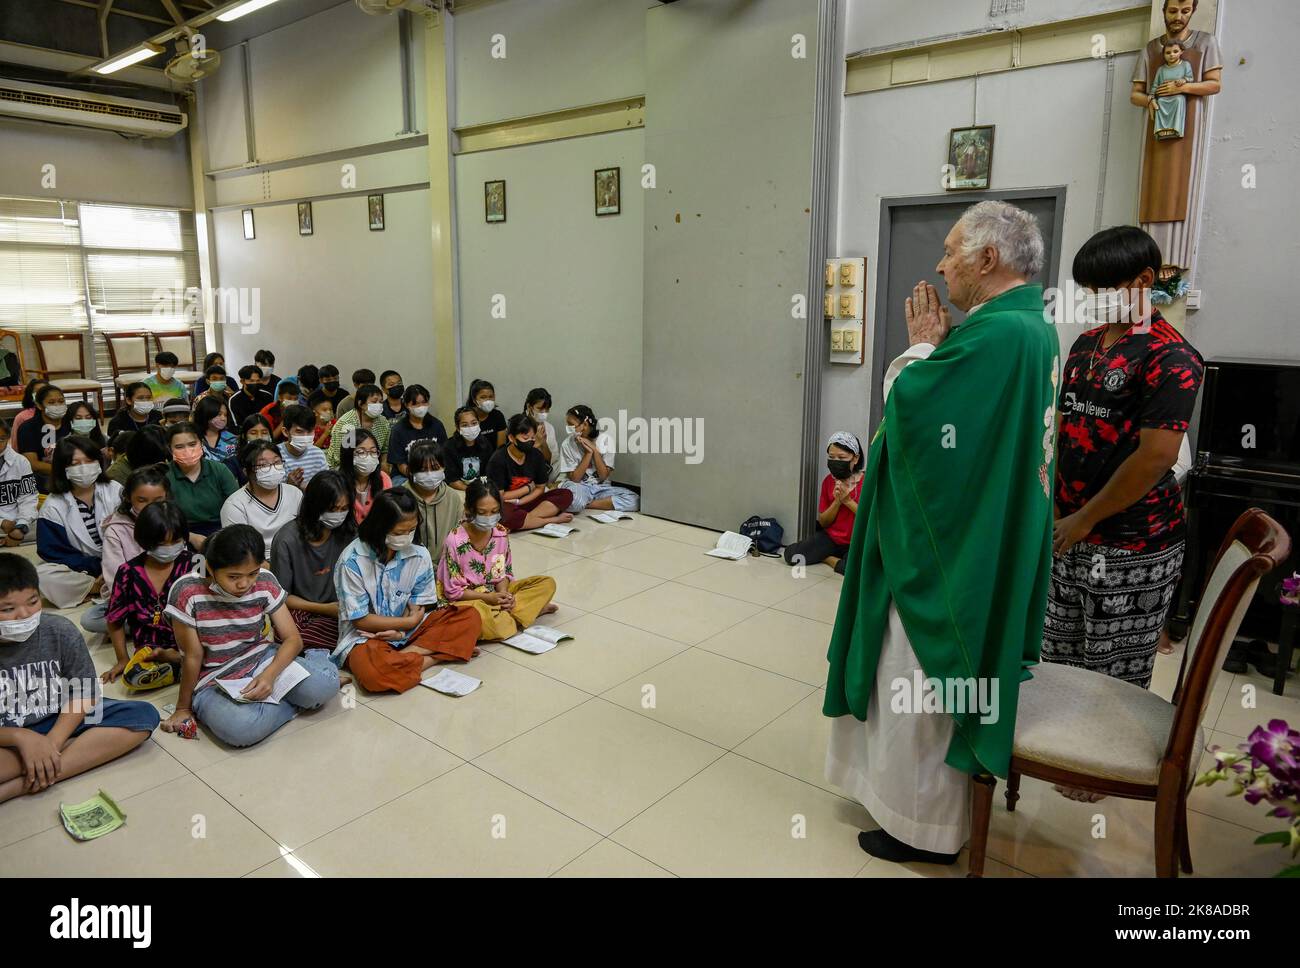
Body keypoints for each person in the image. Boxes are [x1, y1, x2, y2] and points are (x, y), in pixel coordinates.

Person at [824, 201, 1058, 866]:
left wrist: (924, 344)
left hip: (955, 547)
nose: (939, 263)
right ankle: (900, 799)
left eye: (951, 250)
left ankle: (920, 825)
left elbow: (924, 418)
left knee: (919, 674)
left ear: (988, 260)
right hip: (985, 530)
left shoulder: (998, 335)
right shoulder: (1024, 326)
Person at [1045, 225, 1204, 701]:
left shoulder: (1170, 355)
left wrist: (1085, 518)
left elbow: (1156, 457)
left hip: (1132, 546)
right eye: (1089, 289)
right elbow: (1061, 430)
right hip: (1066, 532)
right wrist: (1058, 509)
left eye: (1105, 288)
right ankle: (1061, 759)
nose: (1095, 298)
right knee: (1057, 663)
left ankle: (1098, 774)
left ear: (1144, 279)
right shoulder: (1084, 346)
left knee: (1110, 681)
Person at [160, 524, 339, 748]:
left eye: (252, 573)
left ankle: (309, 674)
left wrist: (270, 676)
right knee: (241, 729)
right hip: (213, 679)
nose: (244, 584)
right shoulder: (188, 590)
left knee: (324, 686)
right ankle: (298, 699)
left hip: (262, 658)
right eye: (233, 576)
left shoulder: (264, 579)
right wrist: (183, 708)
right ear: (210, 567)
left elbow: (293, 639)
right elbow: (192, 656)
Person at [0, 553, 158, 805]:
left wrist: (52, 742)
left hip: (57, 718)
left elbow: (84, 692)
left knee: (142, 716)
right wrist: (21, 738)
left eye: (32, 601)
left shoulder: (58, 630)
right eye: (8, 609)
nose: (24, 614)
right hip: (6, 734)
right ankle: (65, 754)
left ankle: (21, 784)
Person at [332, 488, 482, 693]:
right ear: (380, 527)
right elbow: (361, 620)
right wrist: (406, 622)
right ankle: (437, 655)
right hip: (366, 637)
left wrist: (401, 631)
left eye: (410, 530)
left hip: (409, 631)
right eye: (398, 532)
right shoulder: (352, 560)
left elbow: (417, 604)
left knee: (469, 616)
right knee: (374, 675)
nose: (405, 538)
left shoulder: (419, 555)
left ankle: (407, 659)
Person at [437, 478, 558, 641]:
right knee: (475, 614)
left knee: (547, 583)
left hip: (494, 593)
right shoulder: (455, 541)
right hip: (467, 600)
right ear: (468, 510)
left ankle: (505, 617)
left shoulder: (500, 532)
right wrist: (489, 599)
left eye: (494, 511)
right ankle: (524, 614)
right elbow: (453, 593)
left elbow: (502, 573)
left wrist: (503, 595)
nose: (489, 517)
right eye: (482, 512)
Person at [102, 500, 195, 687]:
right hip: (150, 647)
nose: (169, 548)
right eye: (161, 544)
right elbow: (115, 620)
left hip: (192, 641)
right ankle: (182, 665)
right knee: (134, 678)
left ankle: (182, 662)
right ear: (144, 541)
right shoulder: (128, 572)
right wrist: (122, 659)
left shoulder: (195, 563)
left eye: (176, 542)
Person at [36, 436, 122, 634]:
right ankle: (94, 587)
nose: (84, 468)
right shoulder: (53, 506)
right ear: (63, 469)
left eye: (89, 461)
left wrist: (112, 563)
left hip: (119, 561)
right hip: (83, 569)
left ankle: (107, 584)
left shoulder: (114, 490)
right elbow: (52, 551)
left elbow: (131, 532)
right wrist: (94, 567)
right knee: (42, 575)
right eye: (75, 464)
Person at [270, 470, 352, 652]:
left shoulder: (349, 533)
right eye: (332, 509)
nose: (338, 515)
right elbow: (281, 598)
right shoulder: (287, 539)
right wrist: (324, 609)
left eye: (344, 509)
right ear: (314, 506)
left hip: (341, 609)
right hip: (304, 612)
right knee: (290, 634)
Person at [783, 432, 864, 576]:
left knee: (852, 570)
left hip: (856, 541)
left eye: (842, 458)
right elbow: (824, 522)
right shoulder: (828, 481)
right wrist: (838, 501)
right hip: (831, 539)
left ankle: (827, 558)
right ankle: (827, 555)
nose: (836, 461)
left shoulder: (868, 483)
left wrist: (848, 501)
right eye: (831, 457)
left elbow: (870, 519)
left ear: (855, 458)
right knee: (792, 555)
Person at [487, 413, 574, 532]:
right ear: (512, 438)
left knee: (566, 494)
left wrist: (521, 501)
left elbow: (540, 488)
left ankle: (526, 520)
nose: (530, 442)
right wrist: (528, 488)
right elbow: (500, 496)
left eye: (532, 438)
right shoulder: (498, 460)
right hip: (507, 504)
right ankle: (551, 520)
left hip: (529, 501)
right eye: (525, 438)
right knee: (505, 515)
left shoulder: (536, 455)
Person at [556, 405, 639, 515]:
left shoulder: (606, 440)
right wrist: (588, 453)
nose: (568, 429)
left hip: (601, 488)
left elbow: (603, 476)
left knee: (634, 500)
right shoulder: (567, 444)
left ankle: (587, 504)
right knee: (574, 502)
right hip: (579, 487)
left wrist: (594, 450)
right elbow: (575, 479)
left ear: (584, 425)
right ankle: (588, 502)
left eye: (572, 425)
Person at [220, 439, 302, 550]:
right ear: (246, 471)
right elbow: (241, 551)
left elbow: (305, 532)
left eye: (277, 462)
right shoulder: (235, 506)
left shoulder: (295, 493)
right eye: (263, 465)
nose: (272, 469)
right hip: (260, 562)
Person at [164, 422, 238, 541]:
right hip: (178, 533)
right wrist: (190, 537)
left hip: (222, 530)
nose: (187, 451)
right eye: (179, 447)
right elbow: (161, 516)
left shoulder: (219, 470)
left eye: (192, 444)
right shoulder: (164, 476)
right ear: (169, 448)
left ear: (201, 444)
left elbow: (237, 506)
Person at [100, 465, 170, 591]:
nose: (151, 507)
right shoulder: (115, 531)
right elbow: (115, 578)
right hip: (130, 596)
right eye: (142, 500)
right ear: (128, 497)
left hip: (171, 593)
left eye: (158, 500)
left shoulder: (172, 524)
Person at [404, 440, 464, 552]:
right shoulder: (401, 497)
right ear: (411, 471)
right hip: (411, 563)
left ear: (443, 467)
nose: (429, 474)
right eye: (422, 469)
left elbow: (460, 535)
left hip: (447, 563)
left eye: (435, 468)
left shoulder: (453, 498)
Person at [387, 384, 446, 485]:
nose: (421, 407)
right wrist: (418, 477)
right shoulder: (398, 430)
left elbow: (444, 456)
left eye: (424, 402)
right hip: (405, 475)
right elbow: (400, 464)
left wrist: (433, 475)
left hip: (434, 473)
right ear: (406, 404)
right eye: (415, 404)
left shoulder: (437, 425)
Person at [17, 383, 69, 492]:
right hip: (43, 478)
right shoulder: (28, 428)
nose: (57, 405)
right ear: (39, 405)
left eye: (61, 401)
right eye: (51, 402)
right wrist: (65, 471)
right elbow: (33, 464)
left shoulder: (71, 422)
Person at [327, 383, 390, 470]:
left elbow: (384, 450)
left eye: (381, 402)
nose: (379, 405)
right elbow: (344, 456)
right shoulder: (347, 424)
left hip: (372, 463)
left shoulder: (383, 422)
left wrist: (383, 463)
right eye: (374, 401)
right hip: (344, 467)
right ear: (361, 404)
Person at [0, 419, 37, 547]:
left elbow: (28, 498)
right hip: (3, 525)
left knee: (43, 529)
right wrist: (1, 523)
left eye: (2, 439)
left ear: (8, 438)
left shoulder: (21, 462)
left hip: (16, 523)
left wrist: (21, 526)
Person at [340, 428, 390, 523]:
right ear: (348, 455)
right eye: (361, 452)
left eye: (373, 452)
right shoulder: (338, 483)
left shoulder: (384, 479)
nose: (368, 457)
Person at [442, 405, 496, 491]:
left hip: (481, 488)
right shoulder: (449, 447)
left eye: (474, 423)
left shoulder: (486, 444)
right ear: (458, 428)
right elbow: (452, 480)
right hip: (459, 489)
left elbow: (490, 473)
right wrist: (470, 490)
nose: (470, 428)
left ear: (479, 423)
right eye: (465, 425)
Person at [279, 405, 329, 489]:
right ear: (285, 432)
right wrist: (288, 485)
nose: (305, 437)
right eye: (299, 431)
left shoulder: (318, 454)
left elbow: (326, 486)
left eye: (309, 431)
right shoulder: (275, 455)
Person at [193, 396, 238, 466]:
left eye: (225, 415)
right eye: (219, 414)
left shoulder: (232, 439)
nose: (223, 418)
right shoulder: (193, 437)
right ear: (206, 413)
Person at [524, 388, 558, 479]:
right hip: (523, 471)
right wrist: (536, 444)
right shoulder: (519, 426)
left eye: (547, 409)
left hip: (544, 469)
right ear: (529, 407)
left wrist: (543, 442)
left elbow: (550, 460)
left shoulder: (549, 427)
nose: (544, 413)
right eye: (540, 409)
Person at [8, 379, 48, 452]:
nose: (43, 394)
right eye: (38, 391)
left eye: (45, 391)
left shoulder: (58, 414)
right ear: (31, 395)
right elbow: (15, 446)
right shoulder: (21, 417)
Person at [466, 378, 507, 448]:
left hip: (494, 457)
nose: (488, 400)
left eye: (491, 397)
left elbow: (501, 447)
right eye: (483, 397)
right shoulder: (467, 417)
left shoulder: (498, 416)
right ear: (474, 400)